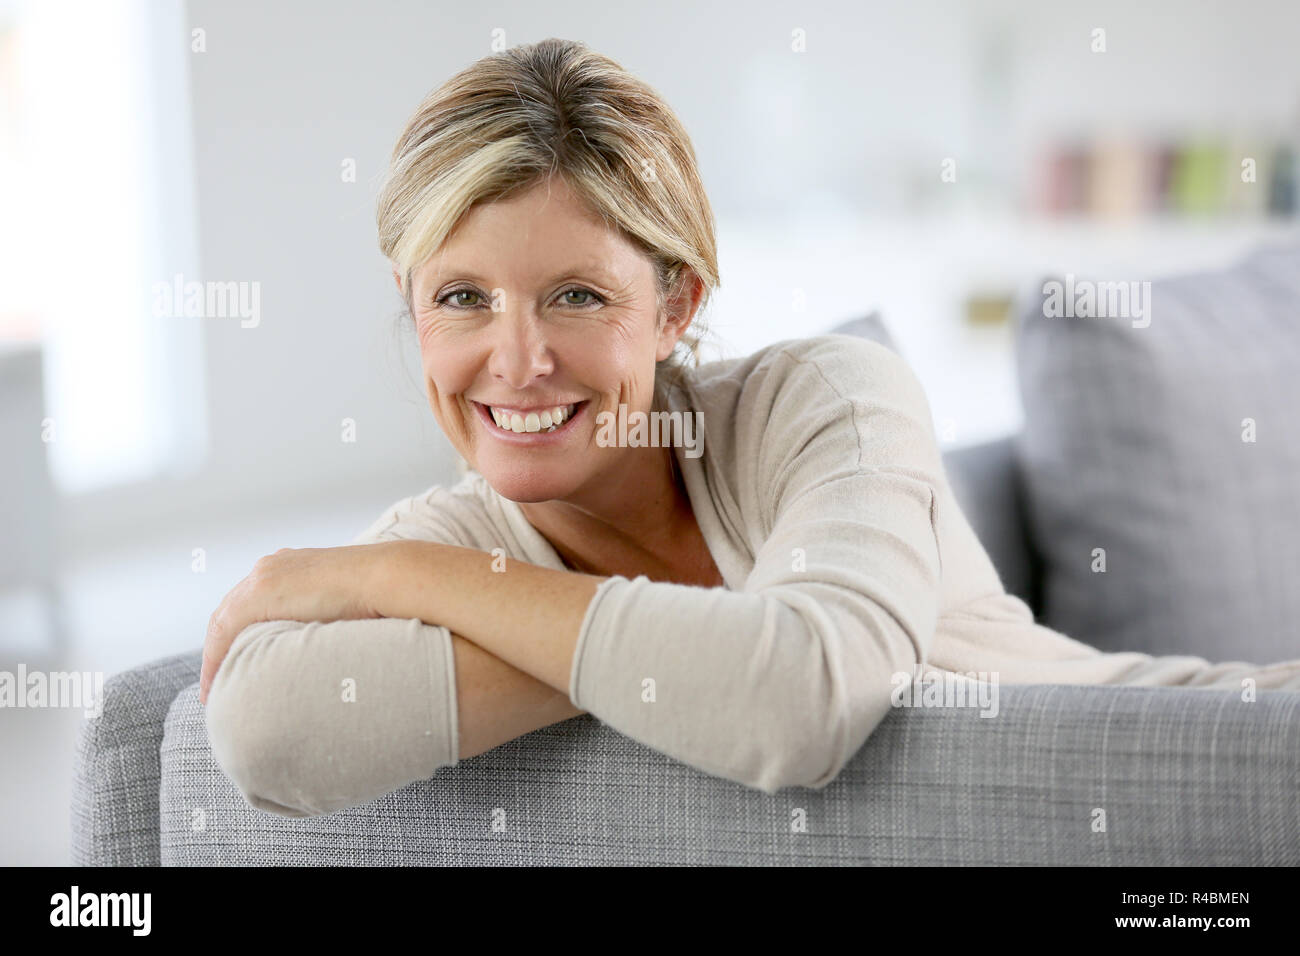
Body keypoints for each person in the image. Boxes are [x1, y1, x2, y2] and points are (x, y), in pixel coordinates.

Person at [199, 38, 1300, 818]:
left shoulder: (826, 399)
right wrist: (714, 642)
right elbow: (262, 731)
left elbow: (802, 697)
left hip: (1231, 762)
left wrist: (388, 570)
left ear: (677, 303)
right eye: (461, 297)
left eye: (577, 296)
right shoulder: (456, 543)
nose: (517, 359)